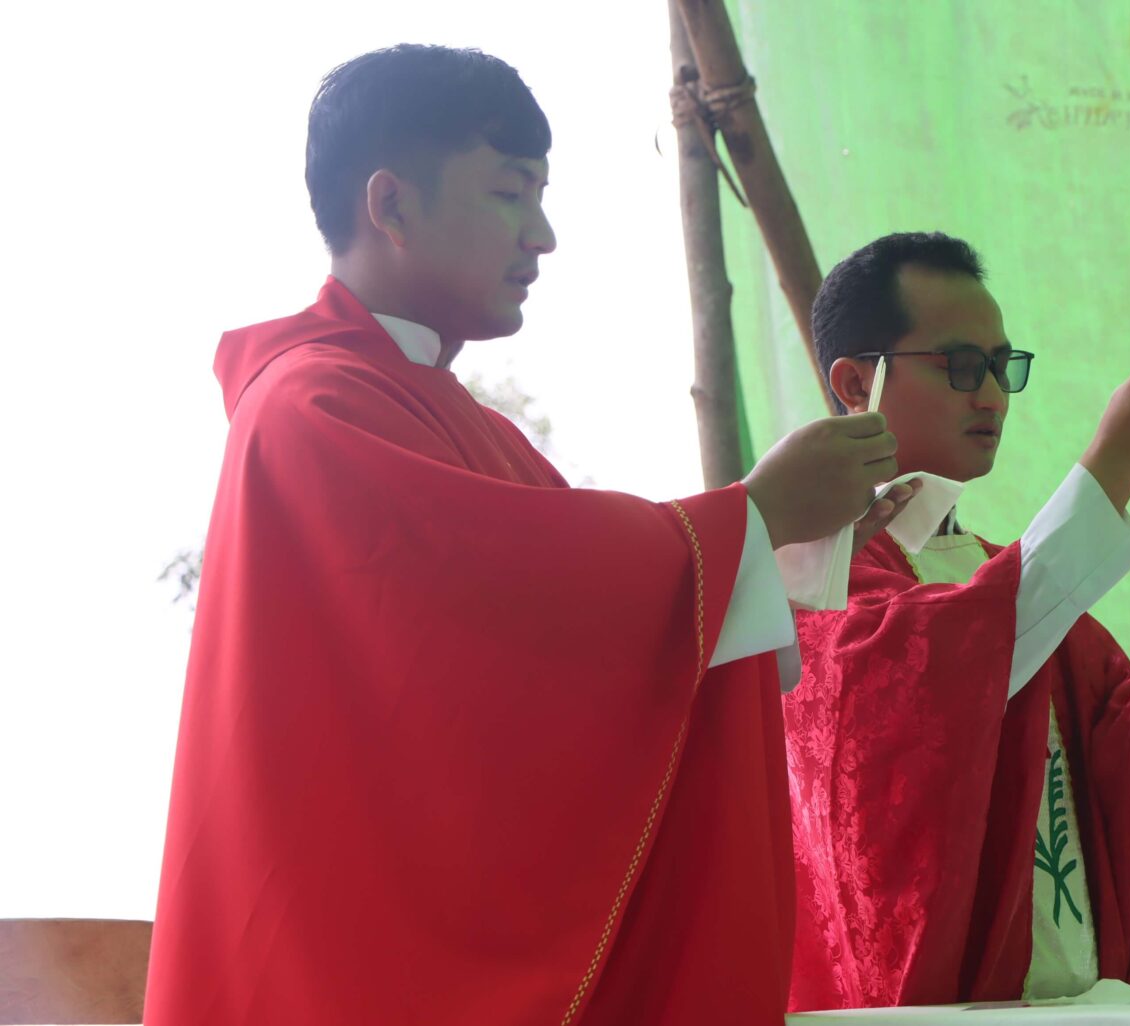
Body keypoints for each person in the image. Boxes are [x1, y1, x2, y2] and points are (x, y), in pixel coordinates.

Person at [143, 45, 902, 1026]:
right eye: (510, 194)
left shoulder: (460, 420)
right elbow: (515, 617)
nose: (543, 235)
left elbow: (566, 627)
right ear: (391, 204)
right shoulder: (310, 407)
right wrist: (754, 518)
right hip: (347, 971)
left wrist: (775, 538)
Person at [784, 232, 1130, 1009]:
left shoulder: (1001, 574)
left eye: (1002, 366)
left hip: (1076, 1000)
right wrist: (1111, 465)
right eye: (960, 367)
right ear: (853, 382)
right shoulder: (808, 576)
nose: (992, 396)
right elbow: (930, 686)